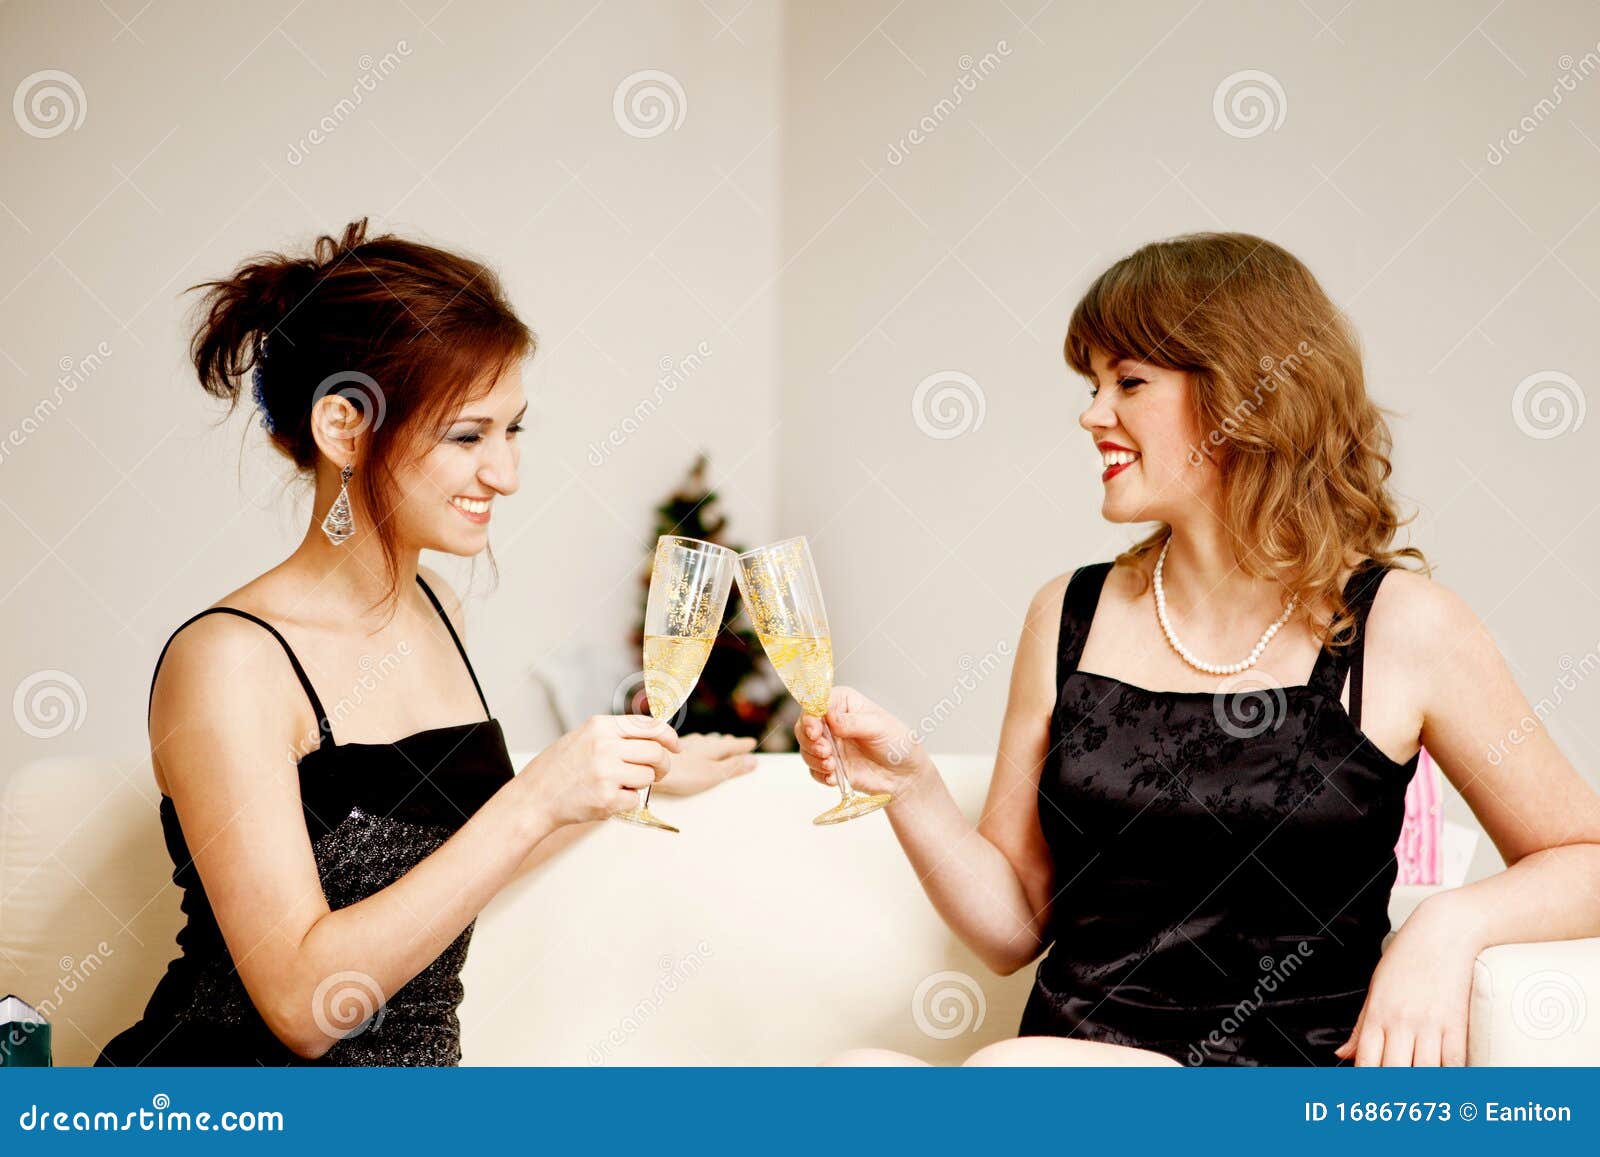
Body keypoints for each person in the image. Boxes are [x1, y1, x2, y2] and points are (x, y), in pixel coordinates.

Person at [799, 232, 1600, 1067]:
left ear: (1244, 397)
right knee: (859, 1076)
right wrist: (909, 786)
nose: (1092, 412)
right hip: (1067, 1083)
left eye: (1129, 381)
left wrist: (1450, 924)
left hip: (1273, 1086)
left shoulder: (1406, 626)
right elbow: (1014, 929)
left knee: (1005, 1071)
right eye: (1093, 383)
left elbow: (1588, 855)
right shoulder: (1067, 613)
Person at [97, 220, 754, 1067]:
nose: (506, 474)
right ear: (343, 427)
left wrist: (634, 777)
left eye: (513, 430)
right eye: (467, 435)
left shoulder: (438, 606)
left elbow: (453, 868)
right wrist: (533, 794)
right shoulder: (230, 661)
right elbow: (302, 1006)